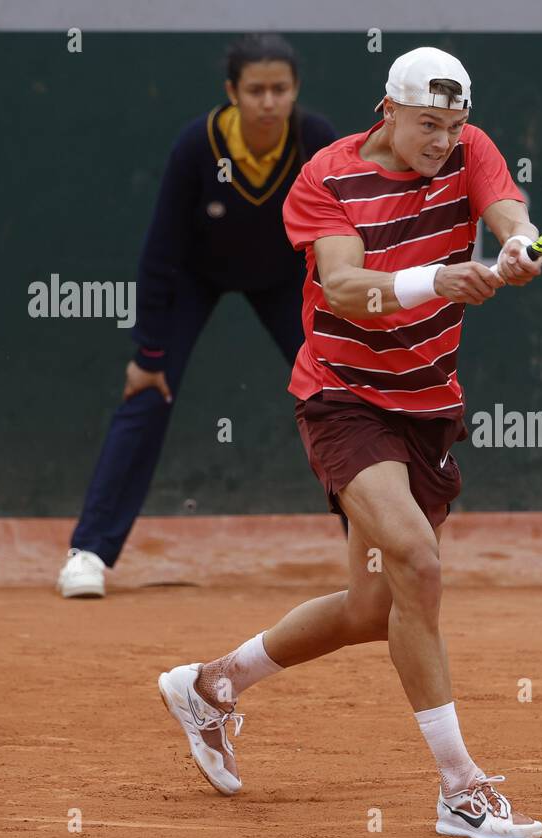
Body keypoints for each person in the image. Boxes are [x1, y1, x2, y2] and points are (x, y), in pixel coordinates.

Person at [159, 47, 542, 838]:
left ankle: (210, 685)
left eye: (453, 126)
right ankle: (461, 788)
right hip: (342, 400)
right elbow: (343, 286)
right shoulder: (327, 178)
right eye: (427, 125)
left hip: (429, 406)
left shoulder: (470, 151)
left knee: (376, 608)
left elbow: (506, 207)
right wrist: (439, 281)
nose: (442, 141)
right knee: (418, 560)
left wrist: (517, 242)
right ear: (389, 110)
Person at [58, 34, 337, 598]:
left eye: (279, 89)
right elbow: (161, 250)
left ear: (295, 91)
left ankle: (380, 551)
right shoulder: (196, 146)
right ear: (231, 91)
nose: (267, 101)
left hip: (288, 279)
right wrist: (149, 352)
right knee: (147, 393)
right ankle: (88, 552)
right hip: (195, 277)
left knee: (339, 403)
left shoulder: (316, 141)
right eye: (254, 89)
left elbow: (346, 233)